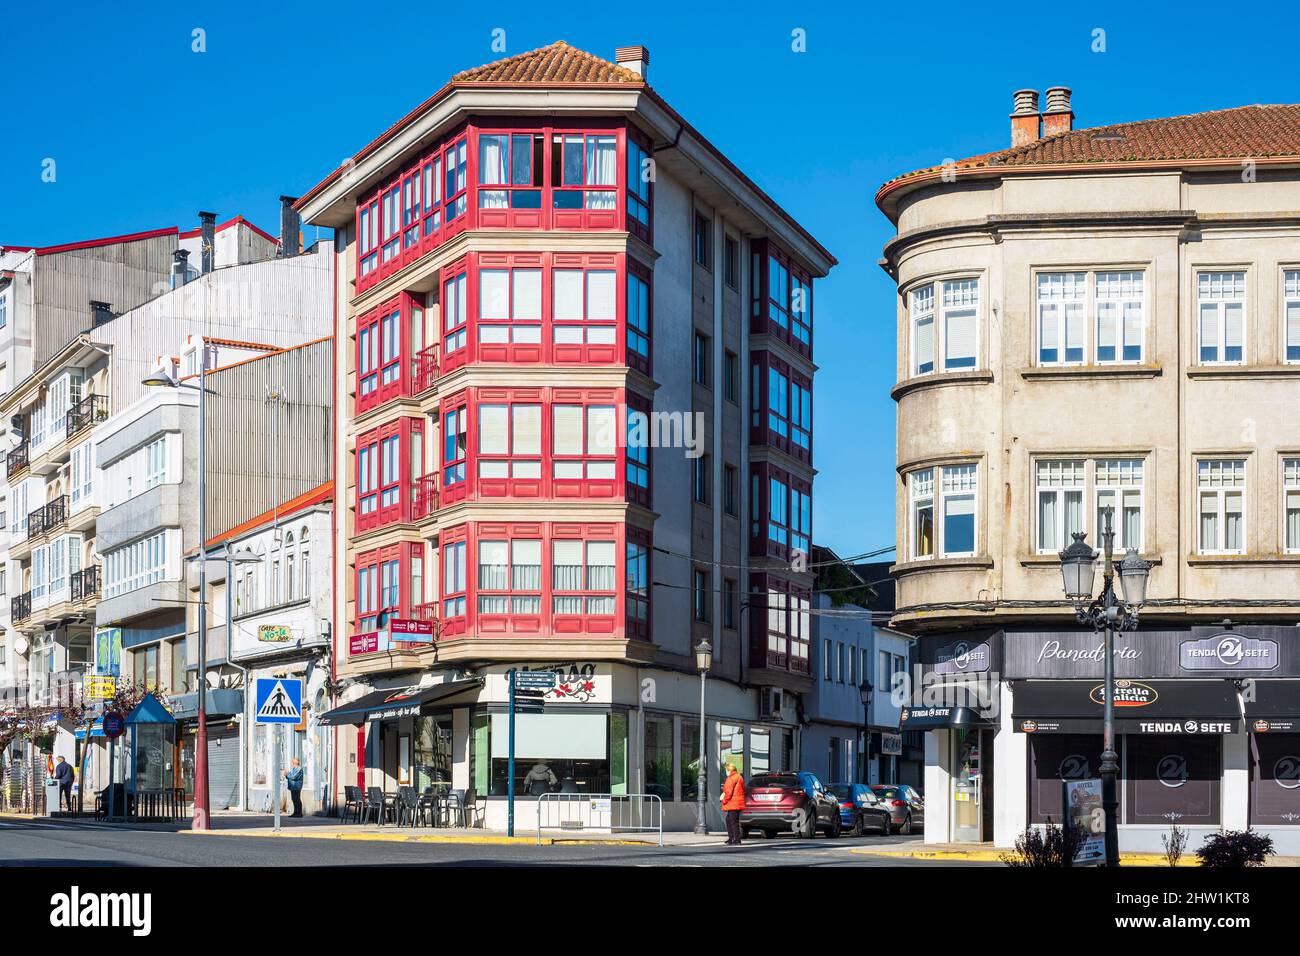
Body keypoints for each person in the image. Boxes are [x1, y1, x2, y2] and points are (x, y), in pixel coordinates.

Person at [721, 762, 746, 845]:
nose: (726, 772)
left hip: (733, 802)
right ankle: (732, 838)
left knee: (732, 822)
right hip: (738, 802)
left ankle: (736, 839)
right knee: (730, 820)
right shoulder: (739, 777)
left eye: (726, 770)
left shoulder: (731, 778)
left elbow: (728, 792)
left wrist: (724, 800)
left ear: (729, 770)